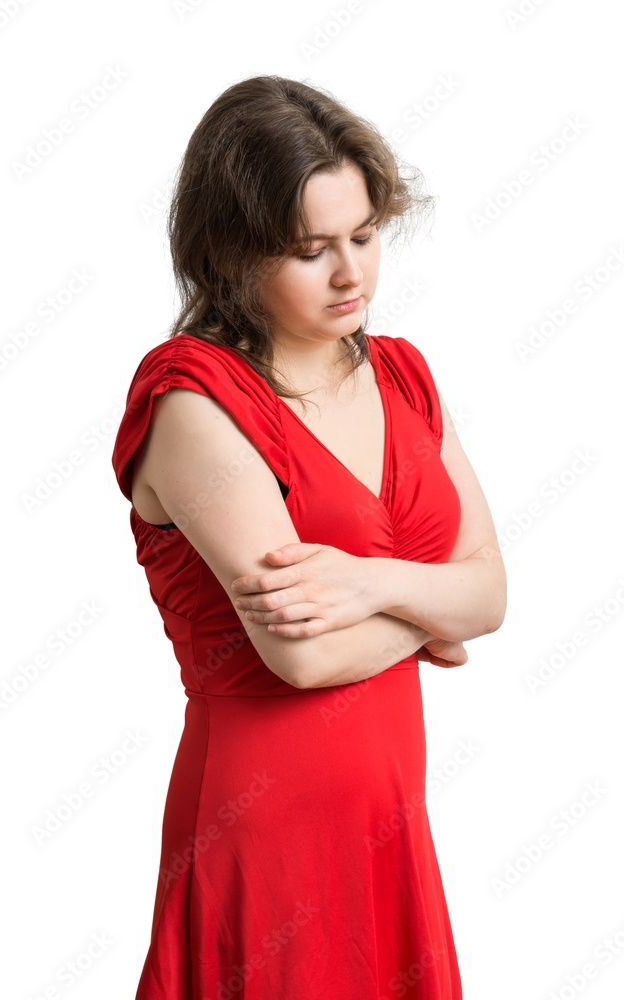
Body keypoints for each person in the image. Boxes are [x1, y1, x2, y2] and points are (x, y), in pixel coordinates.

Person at [112, 74, 506, 1000]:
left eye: (364, 236)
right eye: (311, 250)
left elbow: (492, 592)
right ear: (230, 251)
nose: (352, 274)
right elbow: (302, 659)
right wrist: (430, 612)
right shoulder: (191, 401)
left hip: (390, 825)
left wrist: (369, 586)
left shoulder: (404, 375)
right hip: (262, 831)